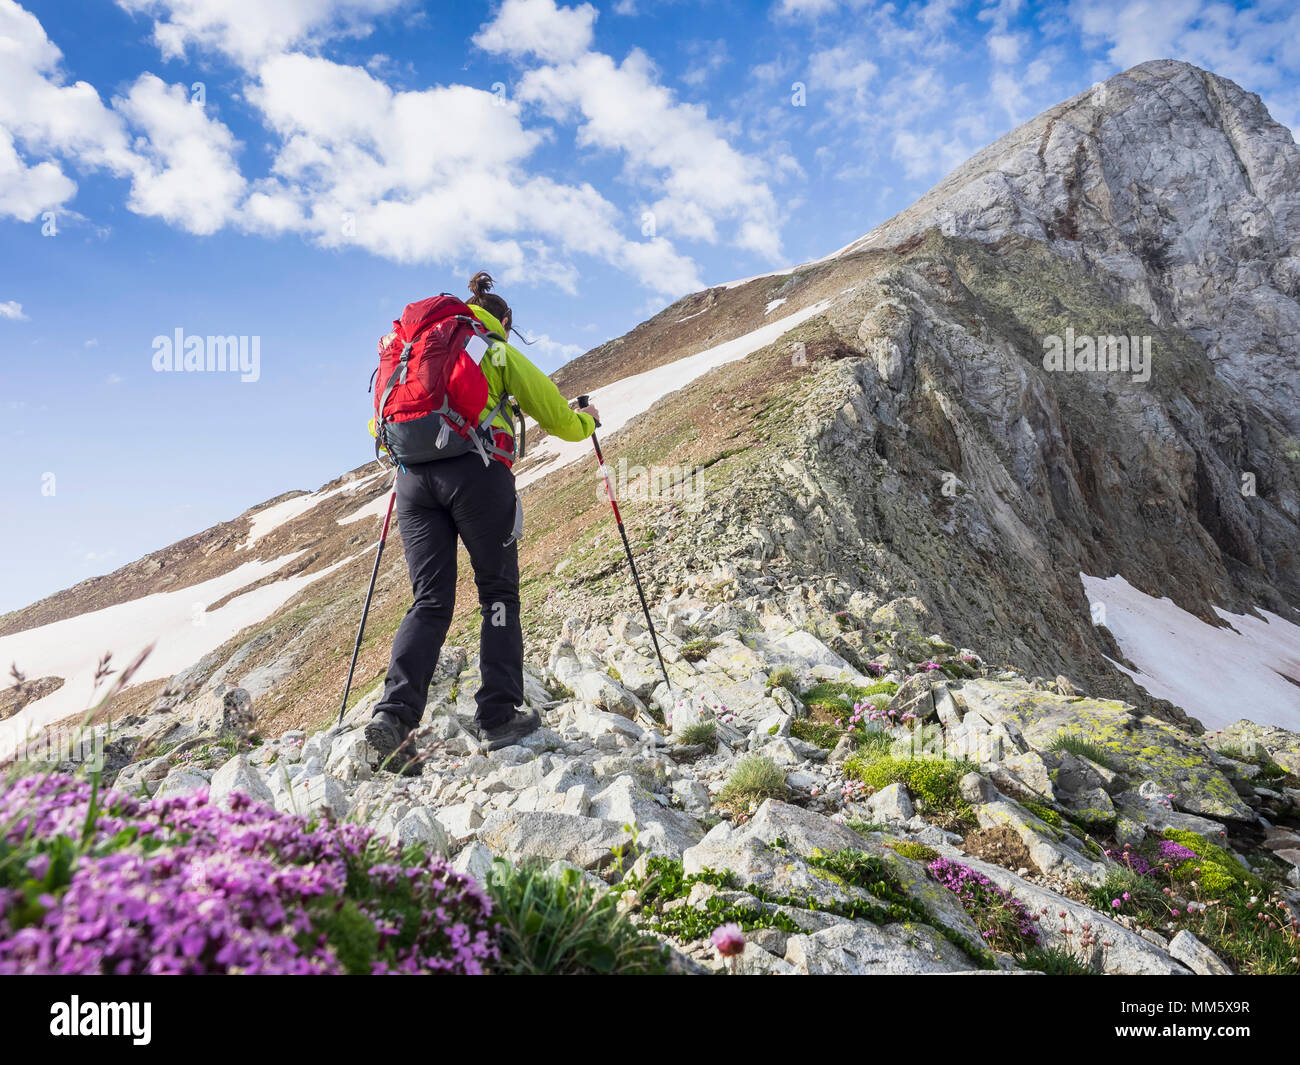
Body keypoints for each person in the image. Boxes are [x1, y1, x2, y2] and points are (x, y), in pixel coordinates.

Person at [365, 272, 599, 761]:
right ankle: (497, 715)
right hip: (477, 476)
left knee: (429, 601)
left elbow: (378, 422)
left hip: (413, 484)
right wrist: (586, 422)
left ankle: (394, 718)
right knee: (496, 593)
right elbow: (554, 414)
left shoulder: (411, 348)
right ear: (505, 320)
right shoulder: (490, 346)